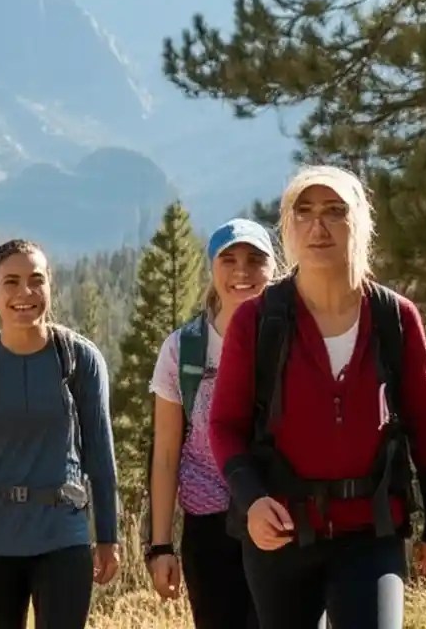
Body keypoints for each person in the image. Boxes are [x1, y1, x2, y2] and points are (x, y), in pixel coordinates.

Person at [209, 165, 426, 629]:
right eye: (304, 212)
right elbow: (225, 424)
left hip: (371, 531)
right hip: (279, 534)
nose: (318, 225)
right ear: (288, 227)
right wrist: (252, 499)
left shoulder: (394, 317)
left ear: (359, 222)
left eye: (335, 211)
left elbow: (425, 418)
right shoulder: (259, 321)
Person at [0, 239, 120, 629]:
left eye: (36, 280)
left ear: (51, 285)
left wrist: (108, 536)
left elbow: (100, 454)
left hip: (64, 534)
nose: (24, 293)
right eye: (11, 282)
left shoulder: (80, 359)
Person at [143, 218, 277, 629]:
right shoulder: (183, 349)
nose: (242, 271)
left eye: (255, 259)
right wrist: (160, 545)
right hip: (209, 525)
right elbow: (166, 454)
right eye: (229, 259)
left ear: (274, 268)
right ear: (211, 268)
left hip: (281, 515)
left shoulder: (293, 337)